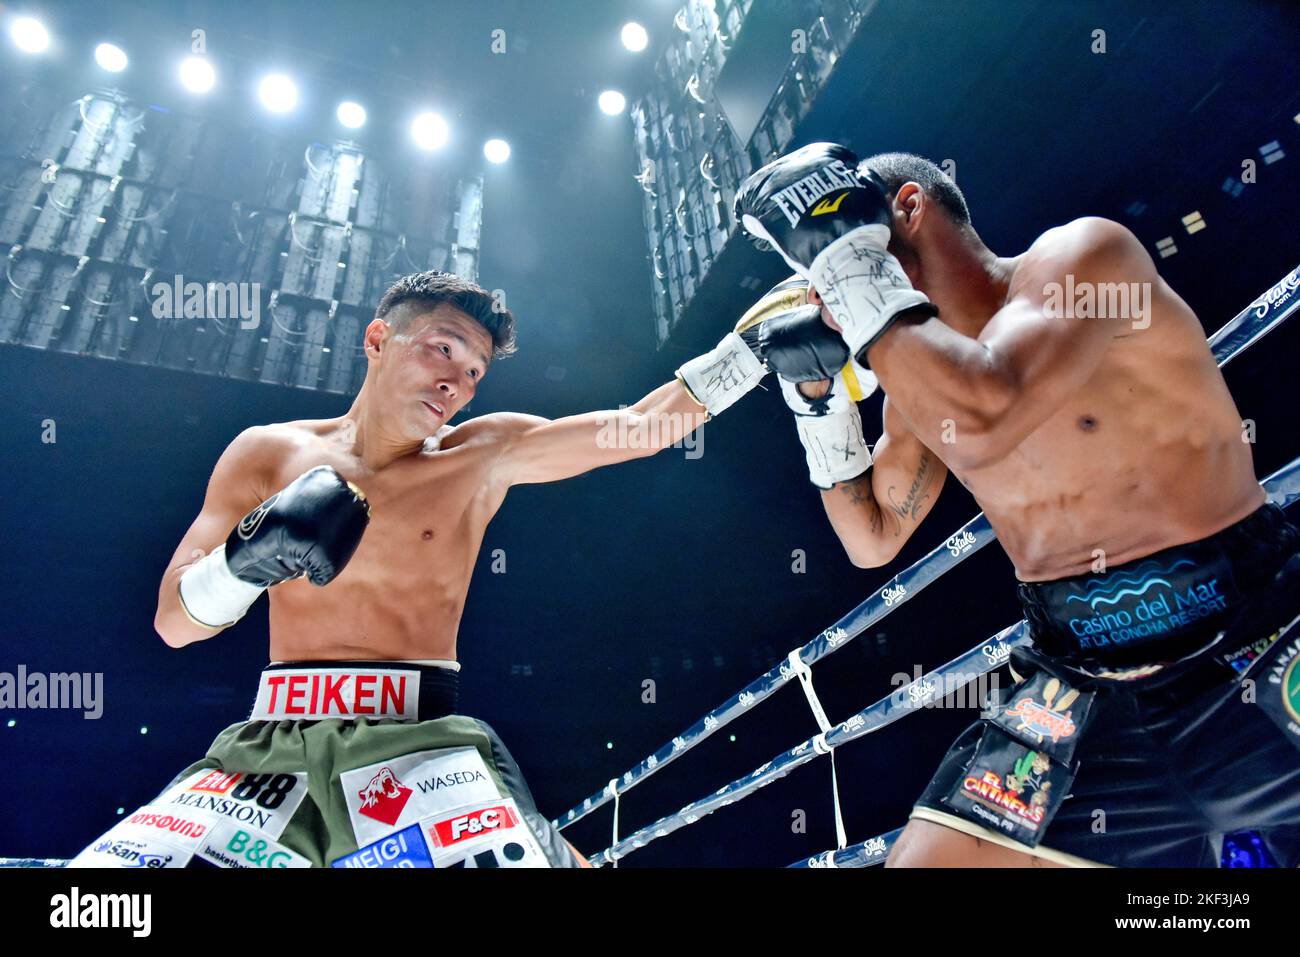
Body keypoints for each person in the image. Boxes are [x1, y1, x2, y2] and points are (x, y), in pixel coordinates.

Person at [69, 269, 833, 869]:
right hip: (269, 748)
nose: (457, 382)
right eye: (442, 349)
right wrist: (243, 561)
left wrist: (750, 353)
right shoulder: (266, 452)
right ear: (378, 339)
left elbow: (635, 428)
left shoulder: (483, 454)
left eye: (473, 372)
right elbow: (173, 621)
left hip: (419, 745)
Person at [734, 142, 1300, 867]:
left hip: (1251, 634)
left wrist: (853, 276)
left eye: (835, 255)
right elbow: (871, 537)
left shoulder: (1084, 257)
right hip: (1078, 686)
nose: (826, 291)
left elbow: (989, 408)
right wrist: (818, 408)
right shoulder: (922, 372)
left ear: (908, 208)